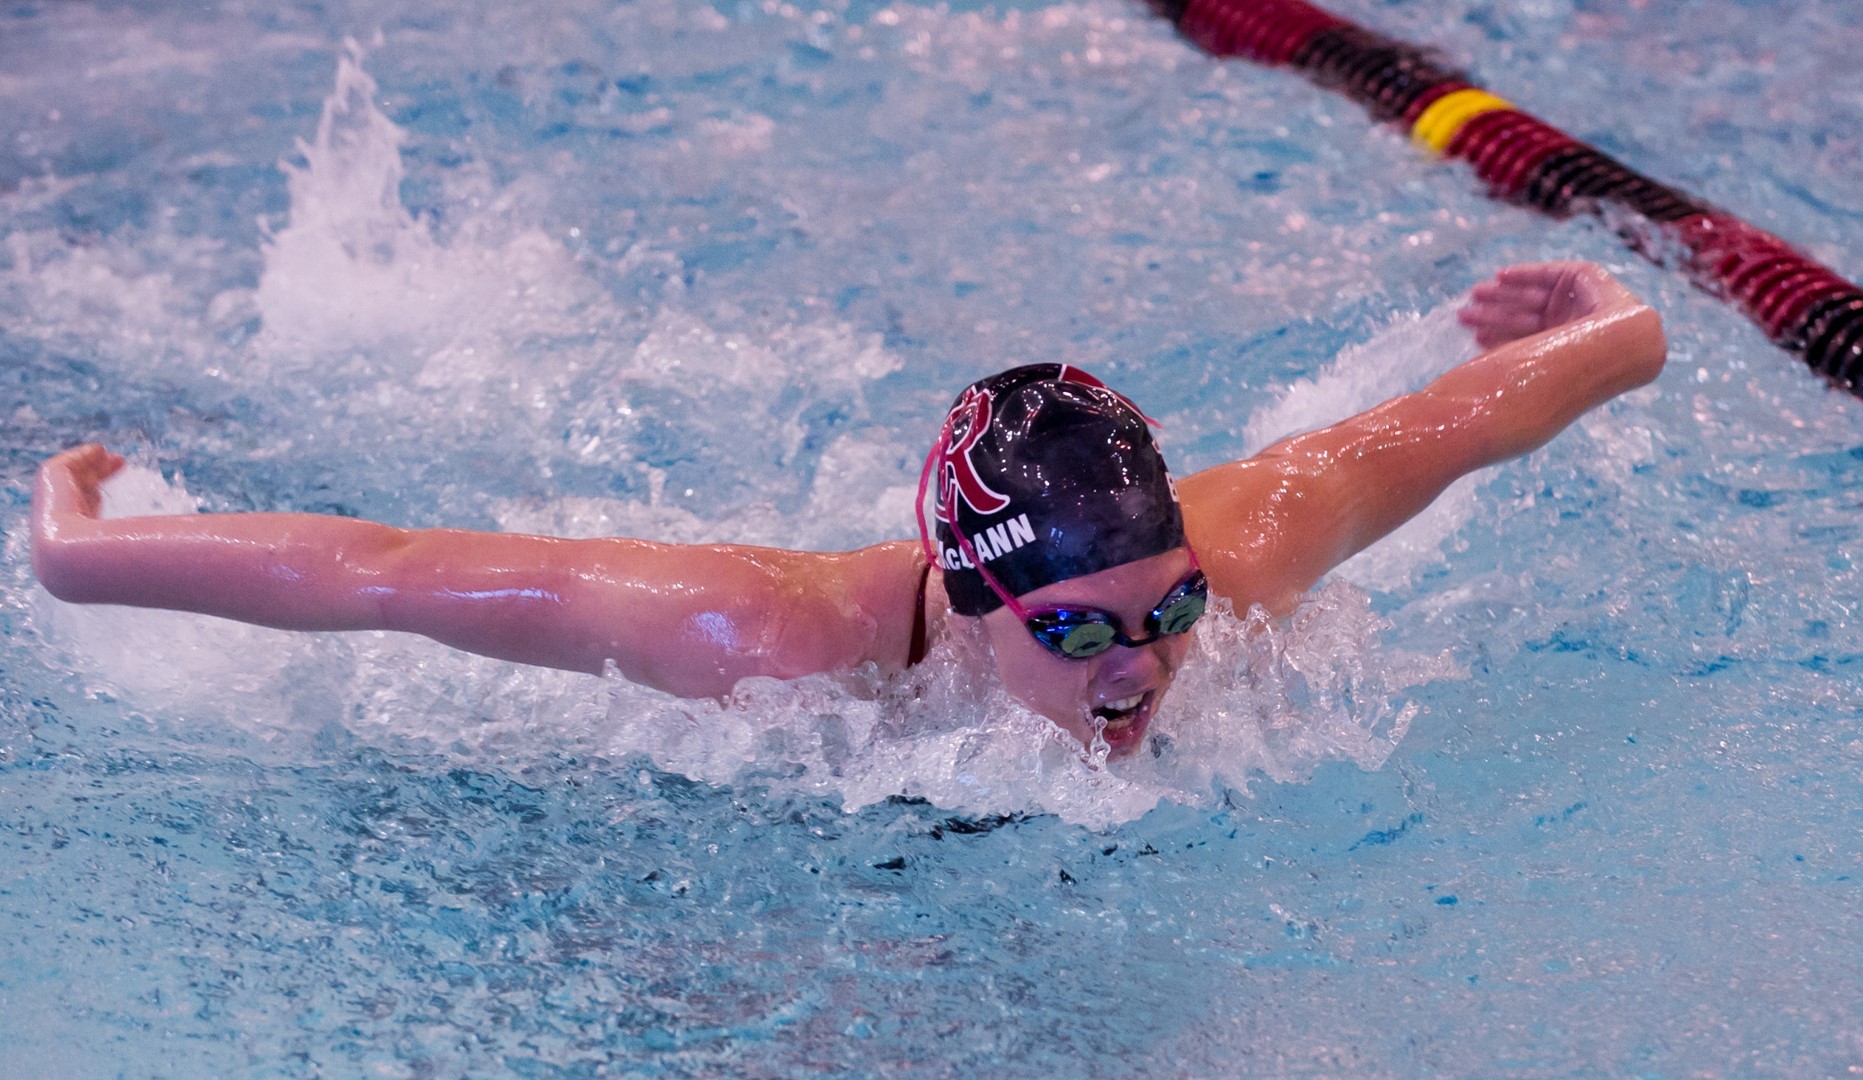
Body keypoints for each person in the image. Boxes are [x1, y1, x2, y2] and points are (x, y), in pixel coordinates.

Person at [31, 261, 1665, 757]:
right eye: (1079, 630)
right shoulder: (761, 638)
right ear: (965, 603)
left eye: (1166, 609)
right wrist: (76, 547)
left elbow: (1457, 422)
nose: (1142, 670)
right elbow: (388, 575)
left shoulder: (1241, 548)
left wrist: (1600, 320)